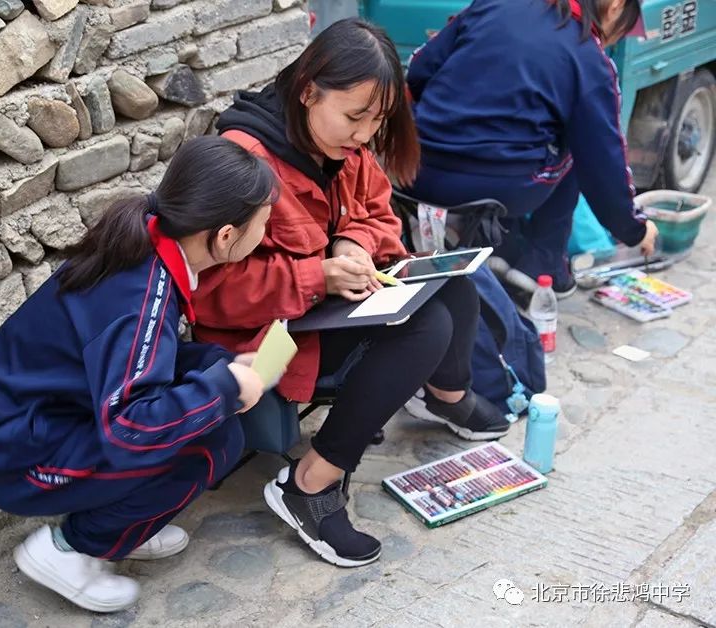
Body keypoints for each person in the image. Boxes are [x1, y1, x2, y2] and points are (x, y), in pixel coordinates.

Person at [192, 18, 511, 569]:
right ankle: (311, 484)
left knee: (454, 287)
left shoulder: (342, 147)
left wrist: (351, 241)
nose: (365, 136)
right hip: (266, 342)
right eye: (355, 117)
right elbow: (211, 295)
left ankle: (446, 396)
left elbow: (383, 218)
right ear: (309, 90)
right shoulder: (245, 163)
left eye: (378, 120)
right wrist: (318, 276)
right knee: (427, 326)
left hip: (328, 311)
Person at [0, 136, 276, 613]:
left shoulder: (148, 239)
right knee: (215, 438)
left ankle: (128, 522)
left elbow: (139, 372)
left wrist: (222, 372)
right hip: (17, 457)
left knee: (210, 372)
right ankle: (71, 550)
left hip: (44, 420)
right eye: (261, 227)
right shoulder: (140, 295)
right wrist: (226, 387)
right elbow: (130, 425)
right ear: (226, 234)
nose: (263, 236)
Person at [406, 0, 658, 297]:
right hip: (498, 187)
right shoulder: (587, 54)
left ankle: (503, 248)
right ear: (615, 6)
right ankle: (544, 266)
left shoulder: (494, 4)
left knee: (529, 135)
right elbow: (605, 165)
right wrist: (635, 229)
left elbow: (419, 69)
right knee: (578, 146)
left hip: (414, 169)